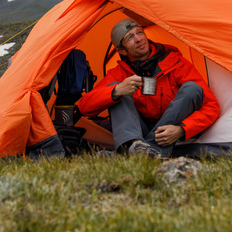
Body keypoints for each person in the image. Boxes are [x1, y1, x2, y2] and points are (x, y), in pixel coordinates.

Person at [77, 19, 220, 157]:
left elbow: (212, 106)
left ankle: (141, 152)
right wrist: (116, 91)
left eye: (140, 32)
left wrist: (182, 129)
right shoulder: (119, 73)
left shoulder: (176, 63)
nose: (139, 39)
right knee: (116, 89)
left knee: (192, 88)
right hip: (138, 132)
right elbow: (84, 107)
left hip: (170, 131)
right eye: (130, 37)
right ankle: (136, 146)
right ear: (122, 51)